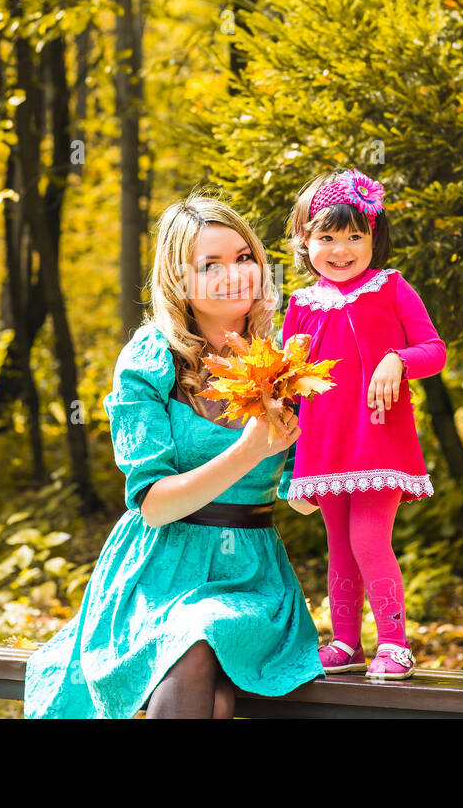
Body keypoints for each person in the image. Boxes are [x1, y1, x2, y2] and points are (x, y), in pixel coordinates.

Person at [22, 195, 324, 718]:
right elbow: (154, 505)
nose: (236, 274)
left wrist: (354, 449)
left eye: (244, 256)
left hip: (249, 574)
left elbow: (303, 499)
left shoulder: (286, 359)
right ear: (179, 280)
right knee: (209, 680)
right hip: (156, 569)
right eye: (211, 265)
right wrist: (250, 449)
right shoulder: (151, 357)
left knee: (203, 632)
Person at [278, 169, 447, 679]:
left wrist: (397, 359)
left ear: (374, 237)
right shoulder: (302, 305)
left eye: (355, 235)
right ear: (305, 241)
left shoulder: (392, 288)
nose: (341, 248)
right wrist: (289, 461)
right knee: (339, 546)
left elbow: (433, 351)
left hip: (377, 441)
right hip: (323, 447)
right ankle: (346, 642)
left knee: (370, 539)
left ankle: (394, 642)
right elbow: (292, 382)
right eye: (327, 237)